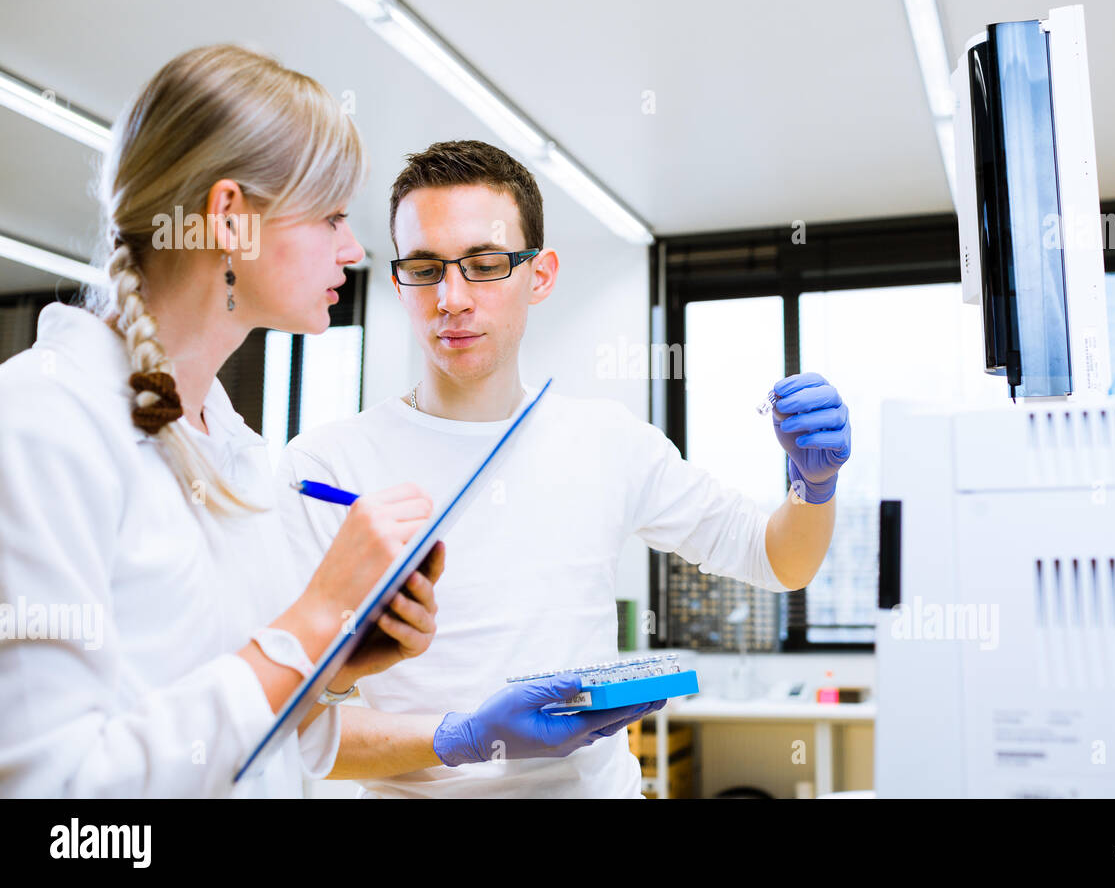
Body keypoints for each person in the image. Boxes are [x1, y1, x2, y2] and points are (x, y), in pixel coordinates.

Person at [275, 140, 851, 797]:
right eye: (426, 268)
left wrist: (813, 486)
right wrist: (461, 736)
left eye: (485, 265)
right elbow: (297, 730)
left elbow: (778, 561)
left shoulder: (608, 440)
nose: (452, 298)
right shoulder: (328, 465)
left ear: (540, 274)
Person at [0, 43, 445, 797]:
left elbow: (241, 739)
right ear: (231, 219)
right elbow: (59, 803)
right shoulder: (40, 423)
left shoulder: (230, 445)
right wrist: (314, 618)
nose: (354, 248)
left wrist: (331, 654)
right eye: (332, 216)